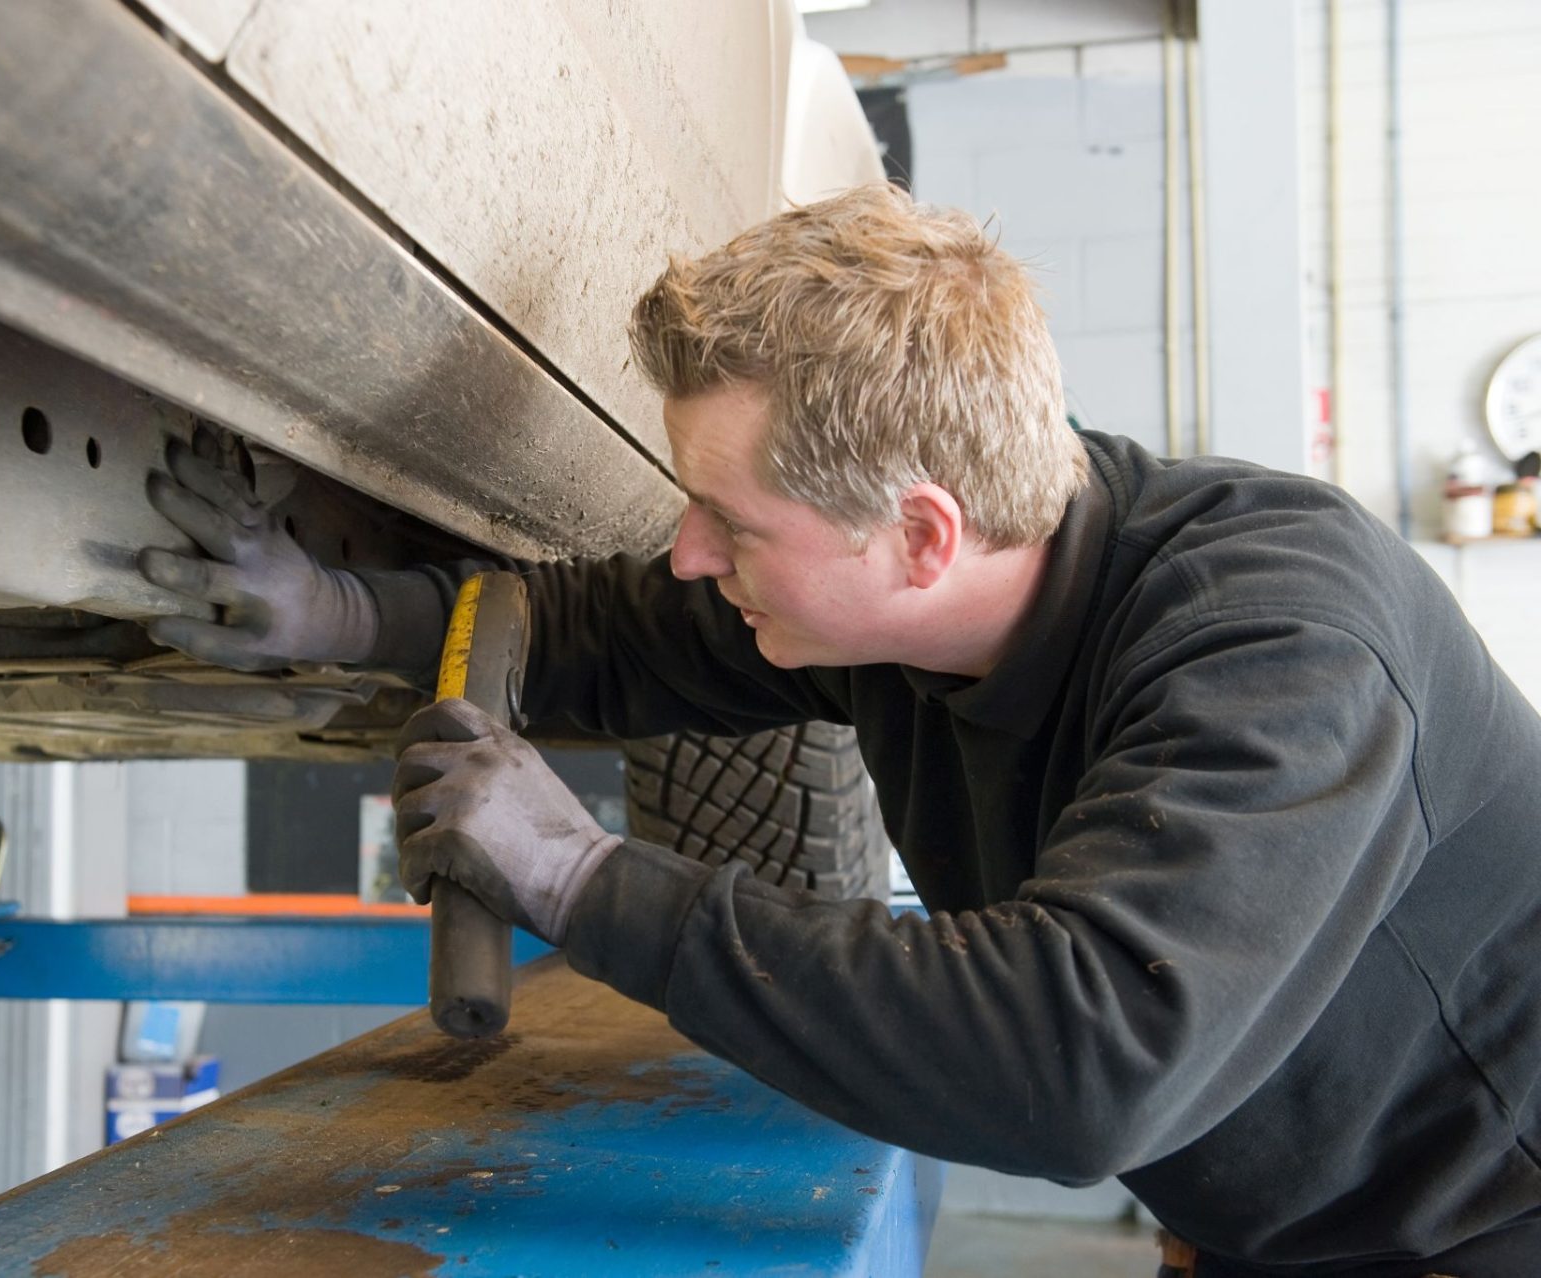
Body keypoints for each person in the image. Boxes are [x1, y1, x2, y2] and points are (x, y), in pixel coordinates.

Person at [138, 183, 1541, 1276]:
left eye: (730, 522)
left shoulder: (1285, 644)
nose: (688, 553)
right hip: (1281, 1209)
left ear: (918, 534)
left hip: (1479, 1228)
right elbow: (612, 630)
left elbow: (1074, 1063)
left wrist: (579, 876)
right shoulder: (906, 599)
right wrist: (330, 609)